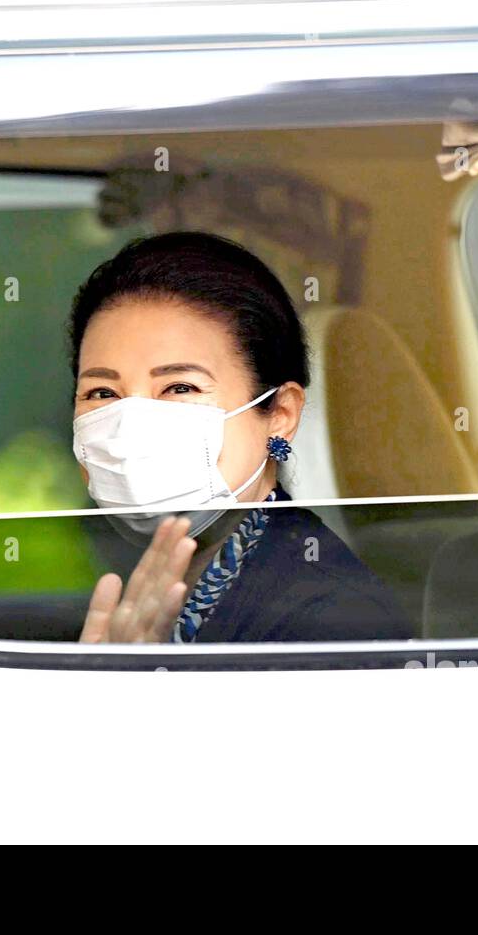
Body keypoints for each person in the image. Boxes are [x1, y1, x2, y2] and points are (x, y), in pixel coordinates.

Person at [68, 231, 412, 644]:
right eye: (102, 393)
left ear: (280, 414)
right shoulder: (143, 576)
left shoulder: (334, 619)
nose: (127, 428)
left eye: (180, 387)